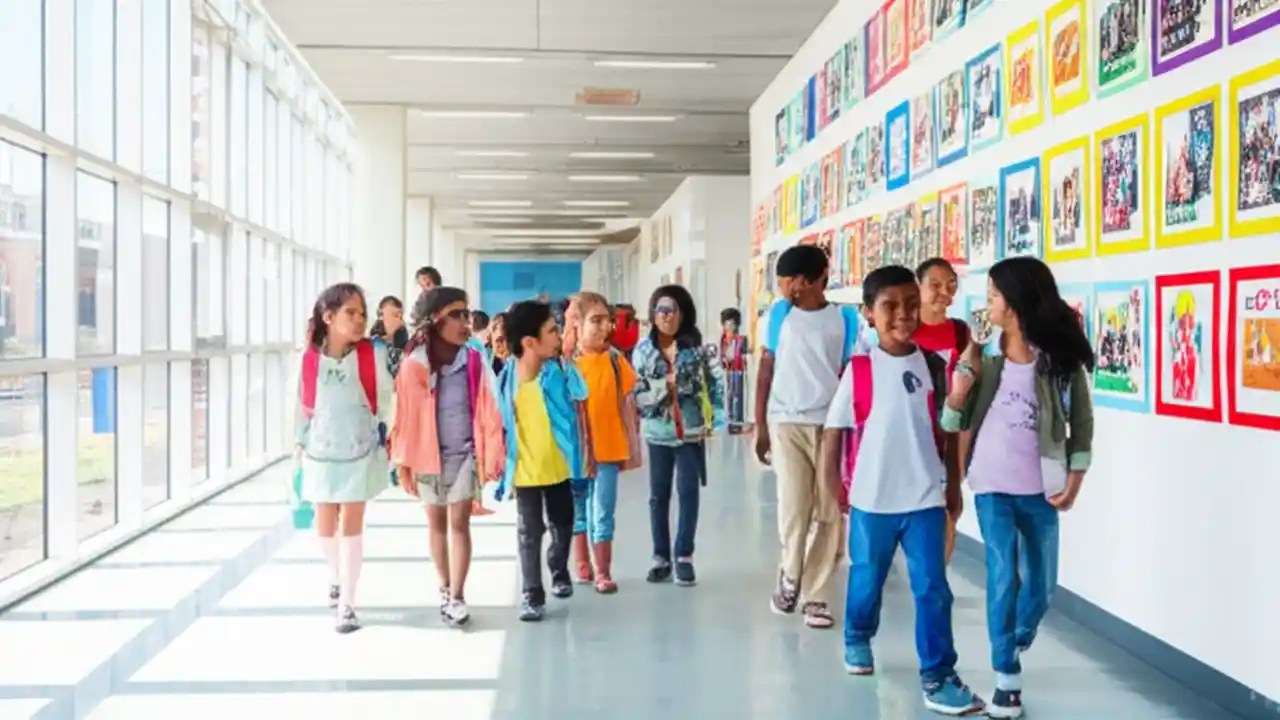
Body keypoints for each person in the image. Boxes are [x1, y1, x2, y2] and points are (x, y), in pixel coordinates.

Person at [820, 265, 983, 715]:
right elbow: (833, 432)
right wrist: (830, 489)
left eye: (911, 305)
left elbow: (947, 431)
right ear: (868, 314)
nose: (904, 315)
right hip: (872, 500)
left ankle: (938, 674)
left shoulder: (932, 366)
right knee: (867, 580)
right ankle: (857, 635)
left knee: (932, 586)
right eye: (890, 306)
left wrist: (953, 485)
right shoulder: (859, 370)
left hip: (925, 498)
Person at [941, 257, 1095, 719]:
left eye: (992, 296)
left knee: (1042, 585)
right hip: (991, 486)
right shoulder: (982, 357)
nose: (986, 305)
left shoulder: (1059, 361)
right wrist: (960, 386)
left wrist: (1076, 479)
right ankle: (1006, 676)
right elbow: (951, 421)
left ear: (1017, 302)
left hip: (1042, 490)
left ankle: (1014, 635)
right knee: (1003, 574)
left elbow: (1082, 423)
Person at [755, 245, 863, 630]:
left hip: (831, 426)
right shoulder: (779, 315)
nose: (782, 287)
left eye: (786, 280)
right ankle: (789, 573)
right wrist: (760, 427)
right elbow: (766, 370)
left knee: (830, 511)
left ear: (808, 280)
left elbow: (851, 374)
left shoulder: (846, 320)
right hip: (787, 423)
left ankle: (816, 595)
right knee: (795, 507)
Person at [391, 288, 506, 628]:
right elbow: (403, 416)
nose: (464, 323)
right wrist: (404, 461)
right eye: (456, 315)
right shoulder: (414, 365)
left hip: (464, 455)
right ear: (435, 319)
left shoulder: (472, 360)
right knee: (437, 523)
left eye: (466, 315)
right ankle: (443, 588)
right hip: (428, 459)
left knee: (460, 522)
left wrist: (491, 450)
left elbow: (488, 405)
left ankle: (458, 594)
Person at [294, 283, 393, 634]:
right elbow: (301, 409)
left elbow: (385, 400)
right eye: (350, 313)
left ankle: (348, 603)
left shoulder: (369, 355)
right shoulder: (308, 360)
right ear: (328, 316)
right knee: (324, 527)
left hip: (359, 450)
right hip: (320, 453)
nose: (358, 320)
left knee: (352, 525)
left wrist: (385, 437)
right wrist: (297, 447)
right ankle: (335, 575)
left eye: (362, 314)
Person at [494, 300, 590, 622]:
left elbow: (582, 393)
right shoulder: (506, 381)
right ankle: (532, 593)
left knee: (564, 526)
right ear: (529, 342)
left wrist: (570, 360)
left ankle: (558, 567)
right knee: (528, 531)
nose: (557, 335)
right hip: (525, 472)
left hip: (560, 468)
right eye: (552, 331)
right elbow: (499, 423)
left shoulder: (559, 371)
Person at [633, 285, 725, 587]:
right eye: (662, 310)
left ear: (683, 314)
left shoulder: (697, 349)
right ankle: (660, 557)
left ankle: (683, 556)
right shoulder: (643, 351)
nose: (667, 316)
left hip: (690, 431)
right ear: (653, 315)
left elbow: (715, 382)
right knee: (658, 497)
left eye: (673, 310)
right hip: (657, 432)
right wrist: (661, 389)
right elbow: (638, 392)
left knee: (688, 492)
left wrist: (718, 416)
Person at [569, 292, 639, 594]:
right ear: (577, 324)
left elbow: (629, 400)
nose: (603, 328)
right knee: (578, 511)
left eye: (606, 321)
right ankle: (581, 563)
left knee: (603, 510)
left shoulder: (615, 361)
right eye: (595, 321)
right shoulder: (566, 365)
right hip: (575, 452)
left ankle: (604, 571)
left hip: (609, 448)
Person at [914, 258, 972, 563]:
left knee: (949, 510)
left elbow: (969, 387)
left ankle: (937, 577)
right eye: (935, 285)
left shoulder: (961, 333)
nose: (944, 292)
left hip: (949, 436)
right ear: (918, 287)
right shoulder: (904, 331)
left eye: (951, 284)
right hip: (911, 436)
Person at [719, 308, 751, 434]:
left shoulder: (741, 339)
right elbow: (721, 353)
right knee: (729, 394)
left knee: (738, 394)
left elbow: (744, 353)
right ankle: (730, 419)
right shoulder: (723, 340)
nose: (729, 327)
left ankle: (738, 420)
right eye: (727, 324)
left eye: (732, 324)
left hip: (738, 369)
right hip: (728, 369)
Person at [370, 295, 409, 377]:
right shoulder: (374, 344)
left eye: (401, 316)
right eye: (395, 315)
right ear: (381, 316)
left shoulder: (403, 342)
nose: (399, 320)